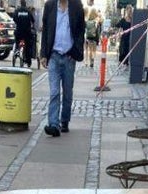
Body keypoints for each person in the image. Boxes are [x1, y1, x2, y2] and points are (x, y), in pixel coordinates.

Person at [40, 0, 85, 137]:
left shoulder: (77, 6)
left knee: (67, 92)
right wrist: (43, 54)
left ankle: (64, 120)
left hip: (69, 56)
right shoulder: (50, 6)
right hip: (53, 55)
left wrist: (75, 51)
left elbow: (80, 31)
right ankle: (53, 124)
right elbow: (45, 31)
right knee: (54, 92)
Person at [12, 0, 34, 67]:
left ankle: (16, 51)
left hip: (18, 32)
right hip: (27, 32)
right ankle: (28, 61)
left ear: (20, 4)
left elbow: (14, 19)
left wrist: (19, 22)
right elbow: (33, 20)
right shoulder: (28, 11)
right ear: (25, 4)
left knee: (17, 42)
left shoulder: (17, 11)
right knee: (28, 46)